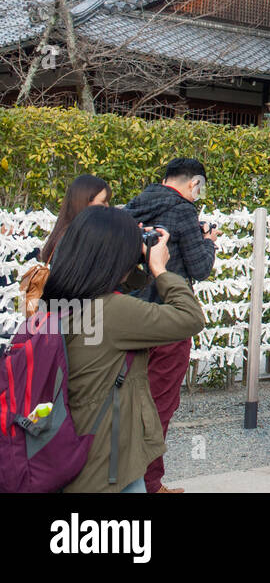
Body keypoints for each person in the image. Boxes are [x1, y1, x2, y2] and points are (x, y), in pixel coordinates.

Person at [45, 207, 204, 493]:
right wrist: (159, 269)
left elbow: (114, 289)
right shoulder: (113, 312)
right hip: (108, 466)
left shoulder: (57, 301)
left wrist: (131, 253)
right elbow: (191, 317)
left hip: (66, 450)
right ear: (116, 257)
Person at [123, 157, 219, 494]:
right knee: (160, 402)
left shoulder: (133, 206)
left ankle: (130, 478)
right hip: (167, 317)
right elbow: (199, 266)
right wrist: (208, 240)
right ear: (193, 183)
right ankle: (149, 483)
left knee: (129, 400)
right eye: (200, 187)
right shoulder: (182, 211)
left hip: (129, 316)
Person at [19, 174, 111, 317]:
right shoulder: (75, 238)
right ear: (84, 202)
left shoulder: (64, 232)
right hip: (75, 319)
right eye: (103, 202)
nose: (107, 208)